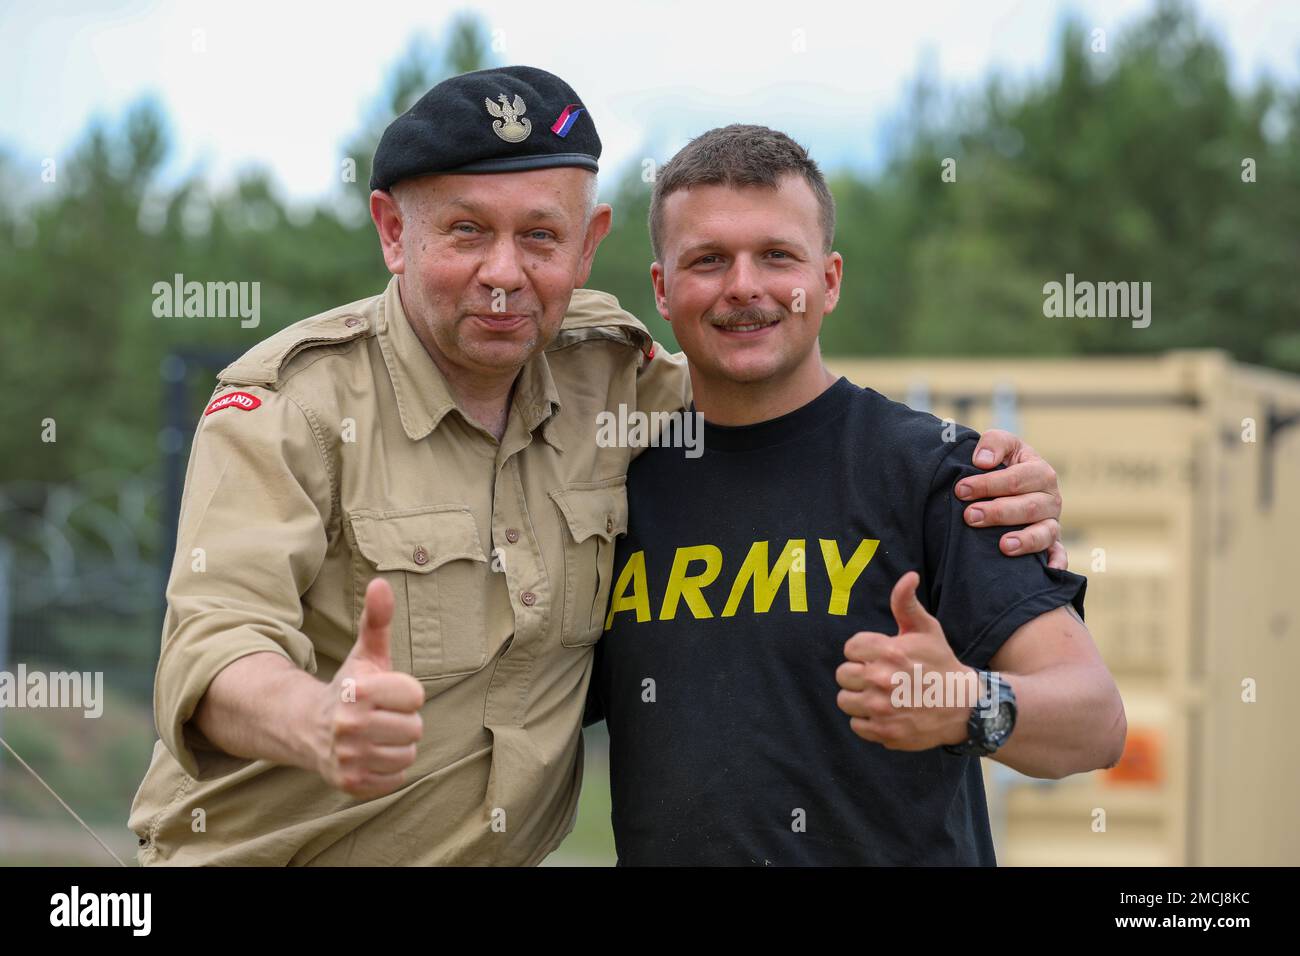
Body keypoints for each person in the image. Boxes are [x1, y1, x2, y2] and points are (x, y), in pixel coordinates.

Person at [129, 68, 1068, 865]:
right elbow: (217, 647)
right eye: (464, 231)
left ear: (588, 244)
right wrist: (317, 720)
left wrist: (979, 468)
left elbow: (770, 392)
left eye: (540, 236)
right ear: (390, 230)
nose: (505, 271)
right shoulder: (293, 408)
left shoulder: (611, 378)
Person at [592, 124, 1126, 865]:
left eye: (777, 255)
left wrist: (966, 704)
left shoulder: (940, 474)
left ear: (831, 279)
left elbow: (1096, 721)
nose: (744, 285)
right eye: (708, 260)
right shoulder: (606, 487)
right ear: (661, 290)